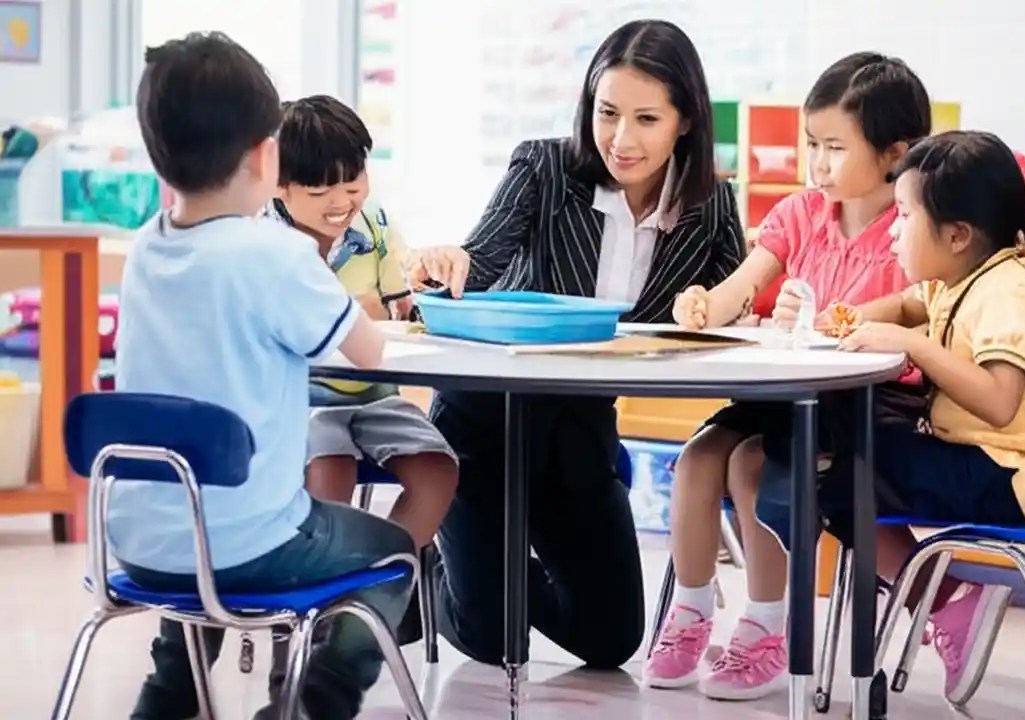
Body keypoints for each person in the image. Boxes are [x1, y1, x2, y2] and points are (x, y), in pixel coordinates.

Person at [405, 19, 745, 669]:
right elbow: (482, 254)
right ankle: (442, 574)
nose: (621, 138)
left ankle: (484, 577)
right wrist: (450, 260)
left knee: (612, 640)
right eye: (607, 112)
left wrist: (754, 308)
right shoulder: (545, 168)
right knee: (492, 640)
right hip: (488, 429)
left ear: (686, 122)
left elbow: (738, 309)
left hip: (580, 443)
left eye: (647, 118)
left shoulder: (712, 207)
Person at [112, 33, 414, 720]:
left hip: (136, 543)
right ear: (264, 154)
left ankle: (170, 695)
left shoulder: (145, 248)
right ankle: (315, 702)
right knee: (394, 554)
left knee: (203, 523)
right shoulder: (273, 255)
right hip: (254, 547)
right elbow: (368, 352)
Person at [649, 52, 930, 700]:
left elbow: (911, 320)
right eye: (812, 145)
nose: (818, 163)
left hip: (862, 405)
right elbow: (747, 282)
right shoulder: (801, 214)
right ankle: (690, 614)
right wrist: (706, 305)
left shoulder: (912, 229)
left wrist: (823, 320)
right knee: (696, 460)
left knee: (751, 464)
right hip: (784, 396)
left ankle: (767, 629)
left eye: (835, 147)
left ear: (894, 152)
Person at [774, 130, 1025, 706]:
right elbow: (911, 304)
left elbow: (998, 400)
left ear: (958, 235)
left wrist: (909, 346)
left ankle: (947, 601)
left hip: (1010, 477)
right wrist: (852, 318)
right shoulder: (964, 277)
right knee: (845, 471)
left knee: (838, 475)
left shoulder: (1006, 295)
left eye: (905, 215)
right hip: (986, 465)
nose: (892, 228)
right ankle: (945, 600)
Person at [270, 96, 459, 643]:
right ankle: (315, 610)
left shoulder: (375, 227)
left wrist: (426, 284)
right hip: (301, 401)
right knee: (330, 472)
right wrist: (366, 313)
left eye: (353, 182)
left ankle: (368, 597)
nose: (342, 201)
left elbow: (400, 309)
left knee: (437, 469)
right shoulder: (264, 242)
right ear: (278, 186)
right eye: (321, 189)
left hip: (375, 395)